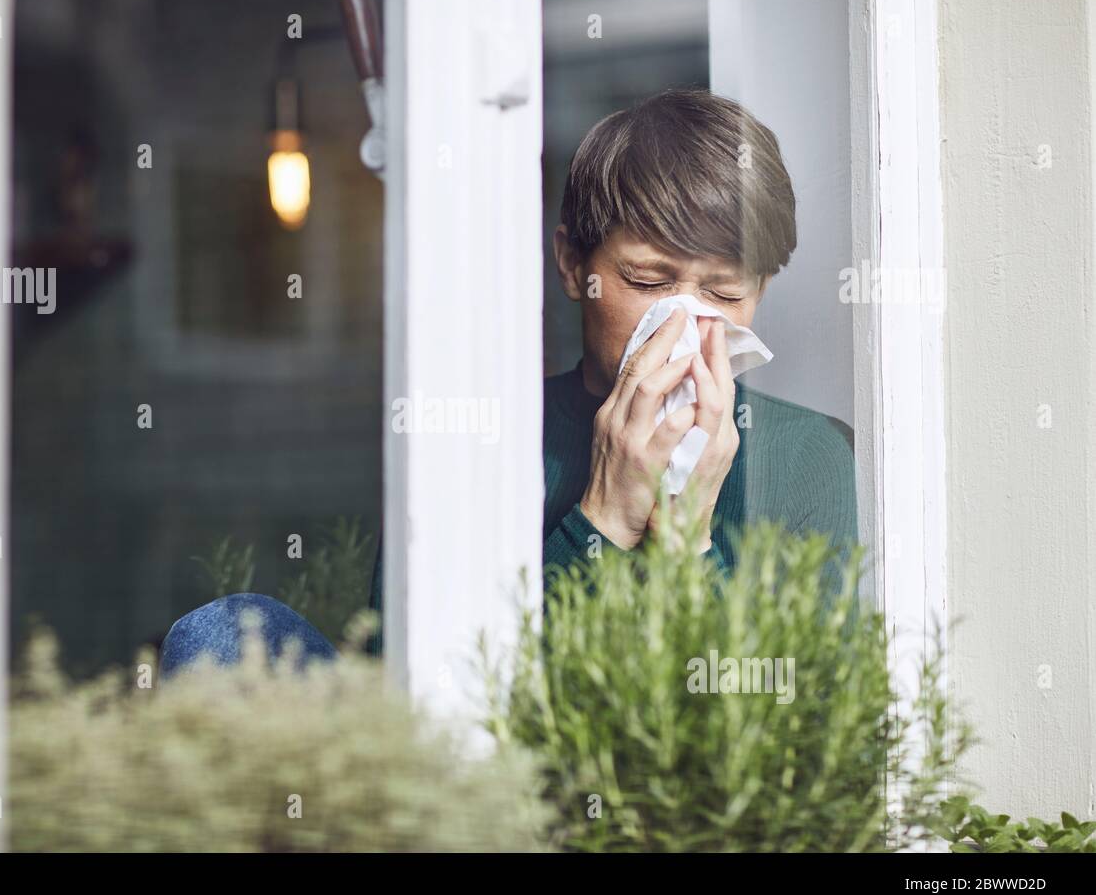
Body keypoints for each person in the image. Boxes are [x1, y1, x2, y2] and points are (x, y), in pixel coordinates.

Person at [159, 88, 856, 679]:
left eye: (725, 294)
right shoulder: (482, 440)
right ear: (570, 262)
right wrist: (601, 522)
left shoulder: (806, 458)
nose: (685, 318)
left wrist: (685, 543)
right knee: (224, 633)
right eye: (648, 281)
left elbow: (768, 745)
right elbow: (433, 698)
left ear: (760, 291)